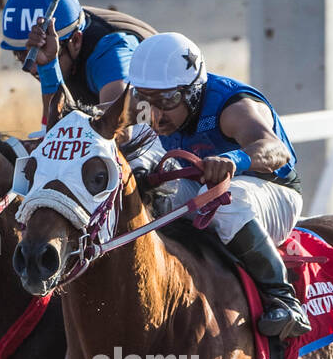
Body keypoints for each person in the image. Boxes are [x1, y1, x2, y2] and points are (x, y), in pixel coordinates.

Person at [128, 32, 310, 339]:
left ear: (194, 91)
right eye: (146, 100)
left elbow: (275, 150)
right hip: (204, 188)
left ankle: (283, 298)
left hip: (270, 190)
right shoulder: (148, 102)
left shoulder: (232, 107)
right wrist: (51, 65)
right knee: (139, 176)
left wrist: (234, 161)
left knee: (225, 201)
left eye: (168, 101)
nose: (155, 115)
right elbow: (96, 121)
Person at [0, 0, 155, 126]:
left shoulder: (111, 52)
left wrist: (49, 66)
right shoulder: (65, 33)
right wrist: (48, 68)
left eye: (44, 52)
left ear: (75, 40)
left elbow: (118, 128)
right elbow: (53, 131)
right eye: (22, 56)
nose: (34, 69)